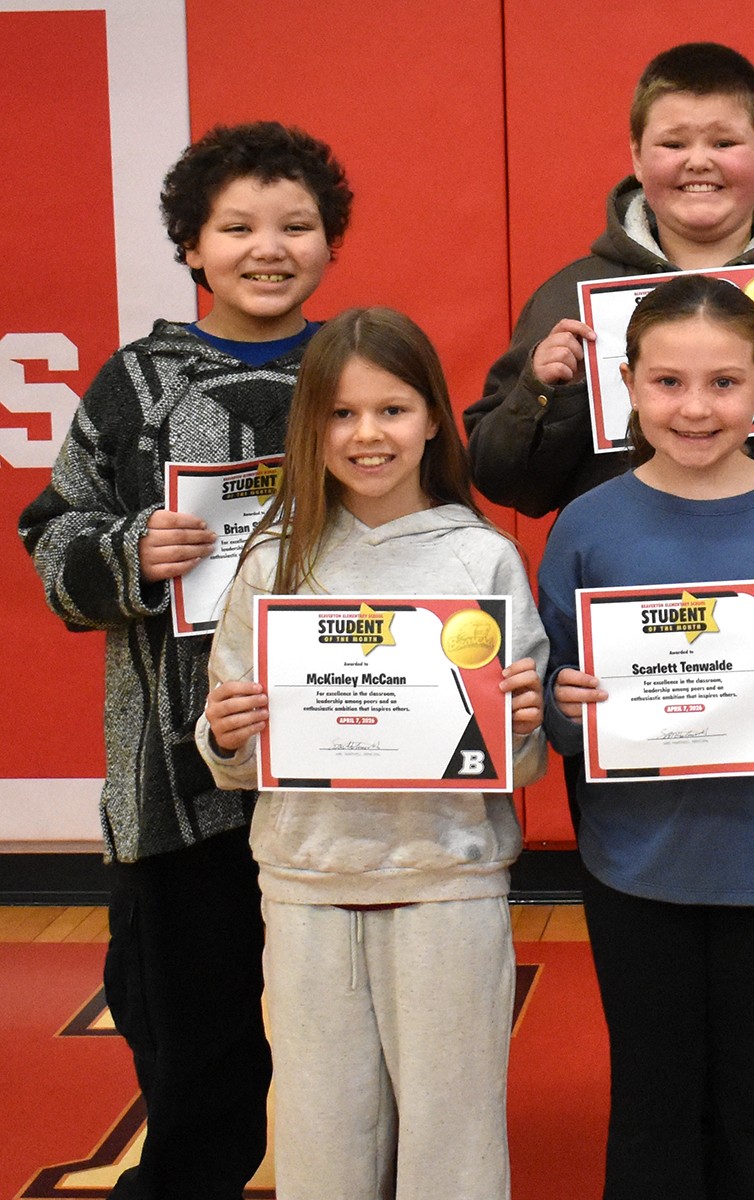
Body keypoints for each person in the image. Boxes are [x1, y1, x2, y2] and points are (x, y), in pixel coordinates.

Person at [18, 121, 351, 1200]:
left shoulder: (362, 364)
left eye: (296, 224)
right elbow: (51, 529)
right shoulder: (133, 382)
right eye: (239, 225)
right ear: (192, 245)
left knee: (349, 1058)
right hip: (174, 786)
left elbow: (436, 526)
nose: (270, 246)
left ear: (329, 241)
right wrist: (129, 552)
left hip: (343, 760)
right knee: (196, 1063)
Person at [193, 307, 546, 1199]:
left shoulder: (483, 562)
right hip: (307, 879)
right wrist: (226, 732)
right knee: (320, 1130)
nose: (368, 435)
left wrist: (522, 723)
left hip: (449, 880)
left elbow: (523, 759)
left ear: (433, 417)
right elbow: (228, 745)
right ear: (309, 429)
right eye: (342, 415)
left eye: (391, 410)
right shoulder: (274, 561)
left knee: (454, 1130)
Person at [536, 275, 754, 1198]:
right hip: (636, 867)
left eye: (724, 382)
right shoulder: (586, 526)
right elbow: (555, 716)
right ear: (628, 385)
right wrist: (566, 706)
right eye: (668, 383)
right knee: (653, 1103)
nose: (695, 408)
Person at [463, 40, 754, 571]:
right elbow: (502, 480)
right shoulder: (570, 300)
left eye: (723, 142)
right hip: (622, 606)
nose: (698, 161)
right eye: (673, 143)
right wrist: (541, 395)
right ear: (635, 154)